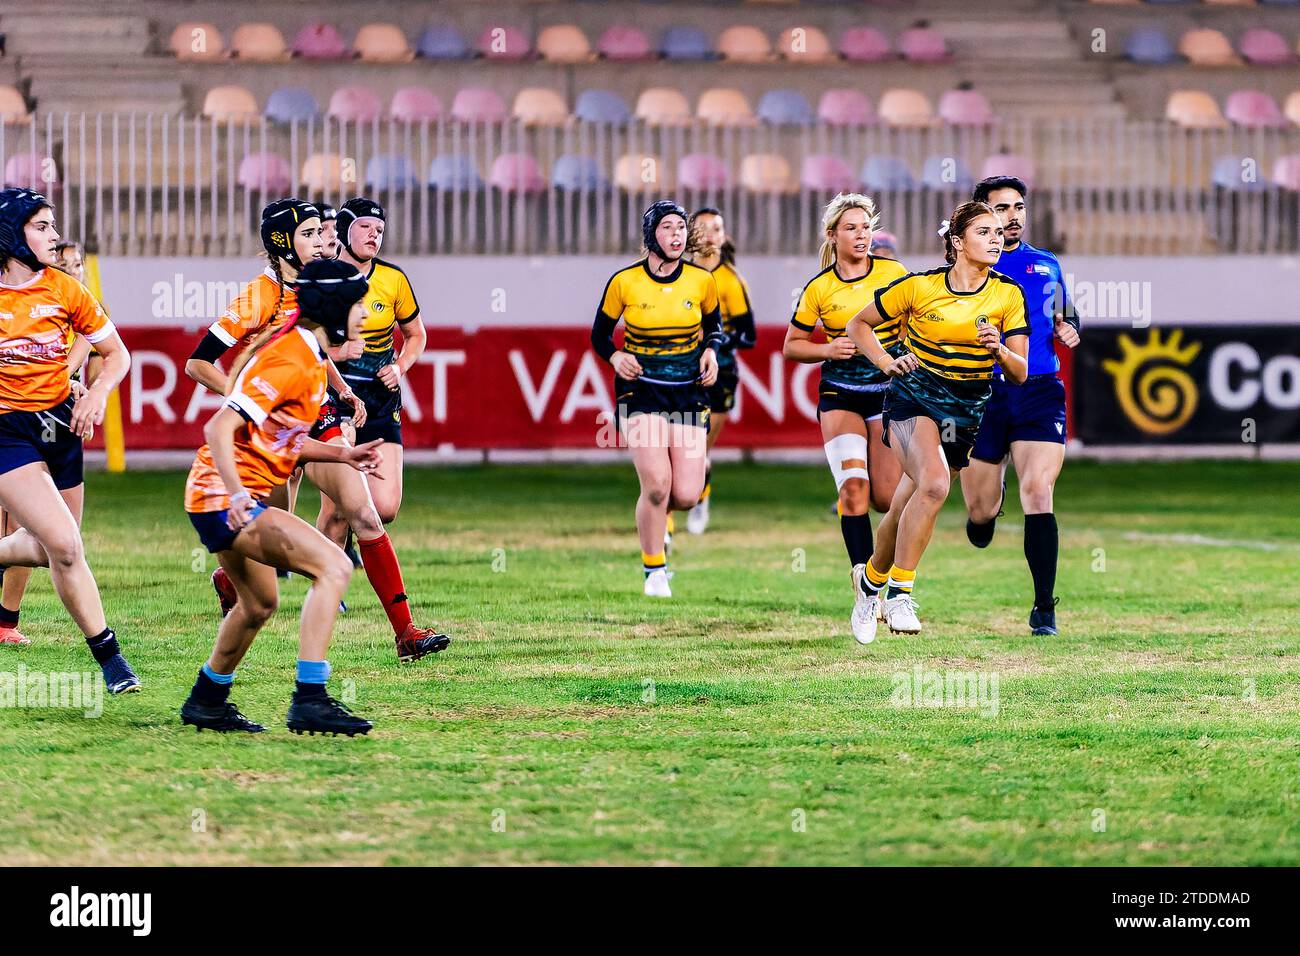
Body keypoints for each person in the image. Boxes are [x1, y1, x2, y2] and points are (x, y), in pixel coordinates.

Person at [186, 199, 449, 663]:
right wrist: (248, 401)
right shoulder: (260, 295)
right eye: (308, 234)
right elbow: (197, 362)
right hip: (274, 429)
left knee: (365, 512)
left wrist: (344, 391)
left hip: (319, 415)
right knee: (268, 545)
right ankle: (235, 586)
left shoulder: (314, 286)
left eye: (320, 232)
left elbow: (316, 350)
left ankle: (405, 632)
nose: (321, 241)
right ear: (283, 243)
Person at [180, 259, 382, 735]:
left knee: (258, 604)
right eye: (358, 305)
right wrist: (236, 496)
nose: (365, 315)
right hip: (224, 498)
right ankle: (310, 698)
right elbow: (219, 426)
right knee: (334, 566)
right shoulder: (290, 358)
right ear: (334, 311)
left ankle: (207, 701)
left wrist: (344, 457)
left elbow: (283, 439)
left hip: (215, 498)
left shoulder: (307, 355)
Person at [845, 200, 1029, 637]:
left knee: (906, 503)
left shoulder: (1007, 293)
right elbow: (858, 325)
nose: (996, 238)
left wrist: (999, 349)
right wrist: (886, 363)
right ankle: (901, 596)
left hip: (965, 410)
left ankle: (868, 583)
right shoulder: (919, 286)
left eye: (998, 232)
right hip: (915, 398)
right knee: (935, 484)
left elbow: (1020, 372)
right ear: (958, 242)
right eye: (984, 232)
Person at [0, 188, 140, 692]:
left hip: (61, 426)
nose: (55, 235)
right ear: (11, 233)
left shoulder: (64, 288)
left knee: (54, 550)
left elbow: (117, 354)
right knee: (63, 543)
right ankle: (111, 657)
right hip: (9, 434)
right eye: (42, 226)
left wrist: (97, 393)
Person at [783, 194, 909, 644]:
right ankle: (863, 587)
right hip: (840, 396)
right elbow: (791, 345)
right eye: (851, 228)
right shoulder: (819, 288)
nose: (861, 235)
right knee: (853, 489)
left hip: (889, 395)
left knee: (888, 498)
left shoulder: (894, 274)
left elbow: (919, 319)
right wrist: (826, 349)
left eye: (866, 227)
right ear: (833, 234)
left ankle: (882, 577)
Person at [960, 177, 1080, 637]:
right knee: (980, 512)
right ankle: (987, 509)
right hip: (980, 392)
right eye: (1001, 209)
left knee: (1038, 491)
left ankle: (1044, 607)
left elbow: (1066, 313)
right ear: (980, 217)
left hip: (1038, 388)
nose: (1013, 216)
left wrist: (1069, 326)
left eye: (1018, 207)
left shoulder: (1045, 263)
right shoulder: (966, 271)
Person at [591, 200, 724, 598]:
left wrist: (711, 351)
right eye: (668, 228)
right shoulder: (624, 282)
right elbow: (600, 335)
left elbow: (714, 327)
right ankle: (654, 570)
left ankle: (668, 527)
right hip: (640, 391)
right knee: (656, 485)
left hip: (687, 391)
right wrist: (615, 356)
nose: (677, 235)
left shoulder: (701, 281)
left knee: (684, 494)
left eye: (681, 228)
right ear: (651, 235)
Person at [0, 237, 102, 644]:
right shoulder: (26, 305)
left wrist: (90, 398)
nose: (74, 272)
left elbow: (92, 367)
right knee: (20, 525)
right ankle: (6, 621)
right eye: (68, 265)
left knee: (40, 533)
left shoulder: (82, 315)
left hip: (55, 425)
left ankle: (6, 620)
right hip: (13, 421)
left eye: (78, 266)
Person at [319, 197, 425, 539]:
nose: (373, 235)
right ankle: (329, 586)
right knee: (336, 509)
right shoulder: (321, 279)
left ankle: (311, 545)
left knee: (384, 509)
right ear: (346, 231)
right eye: (365, 226)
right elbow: (306, 346)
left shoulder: (393, 279)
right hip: (338, 401)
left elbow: (416, 334)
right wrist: (339, 352)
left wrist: (400, 366)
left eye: (379, 230)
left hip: (381, 401)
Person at [682, 208, 755, 536]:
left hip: (721, 372)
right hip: (680, 371)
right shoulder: (677, 276)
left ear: (724, 236)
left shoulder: (730, 280)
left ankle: (699, 498)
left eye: (717, 228)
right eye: (703, 228)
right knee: (686, 443)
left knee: (701, 447)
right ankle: (678, 499)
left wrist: (713, 338)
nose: (711, 234)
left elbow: (749, 334)